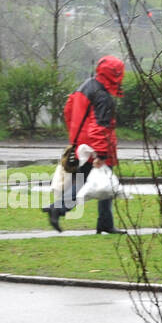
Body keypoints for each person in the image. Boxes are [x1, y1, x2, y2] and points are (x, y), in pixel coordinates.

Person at [47, 55, 125, 234]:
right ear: (115, 75)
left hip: (82, 143)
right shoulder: (103, 96)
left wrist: (75, 138)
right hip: (95, 147)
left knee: (104, 181)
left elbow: (68, 110)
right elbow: (99, 126)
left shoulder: (86, 85)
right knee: (93, 182)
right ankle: (58, 209)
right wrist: (101, 154)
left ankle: (105, 222)